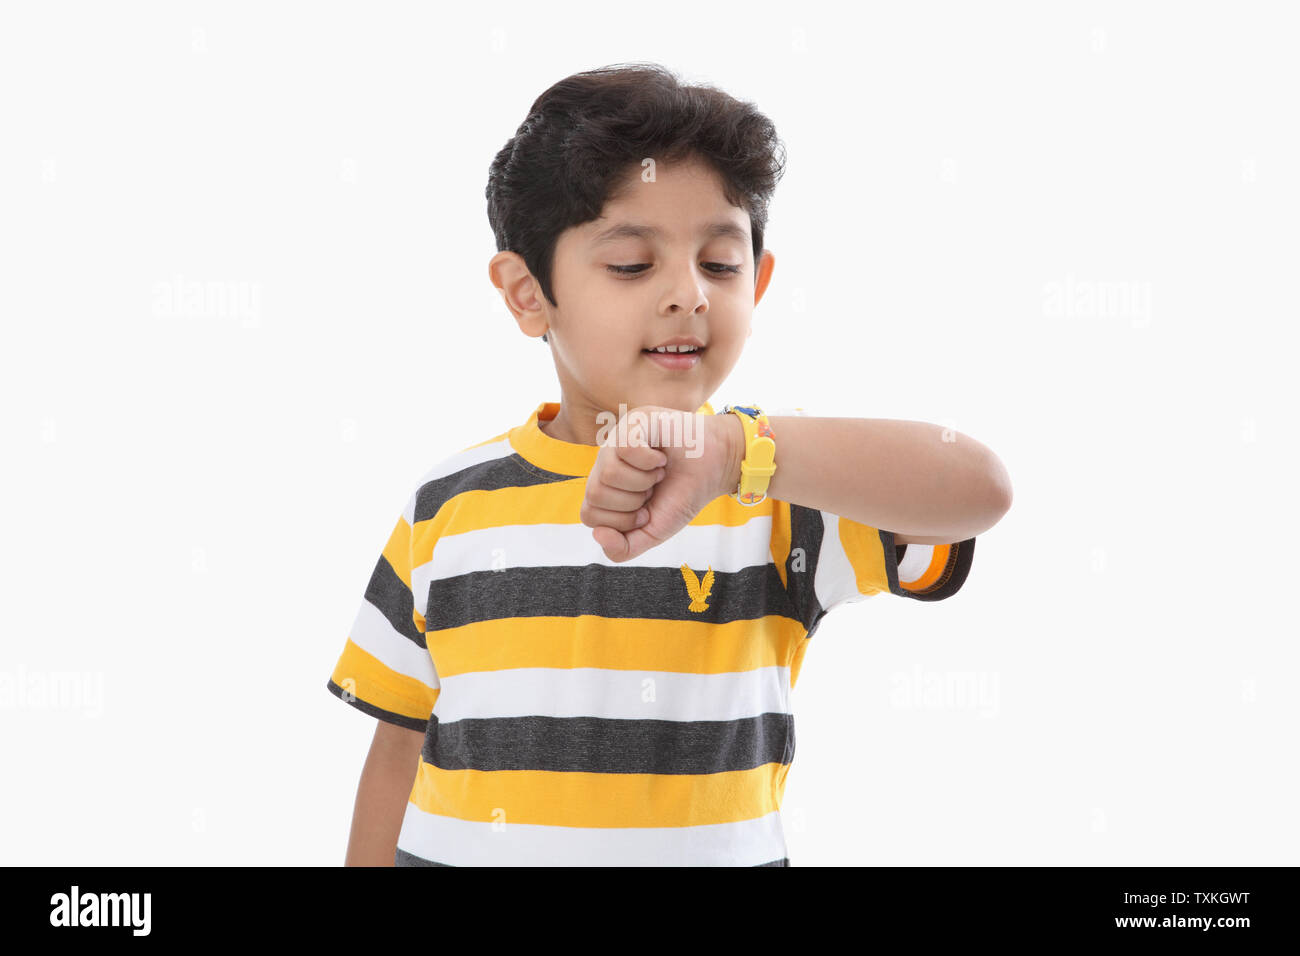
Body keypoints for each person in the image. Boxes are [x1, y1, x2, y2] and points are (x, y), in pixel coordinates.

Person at [326, 62, 1012, 866]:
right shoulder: (447, 505)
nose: (689, 295)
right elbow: (398, 747)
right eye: (631, 264)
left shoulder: (777, 488)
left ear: (758, 282)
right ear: (527, 293)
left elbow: (980, 487)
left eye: (720, 264)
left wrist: (734, 455)